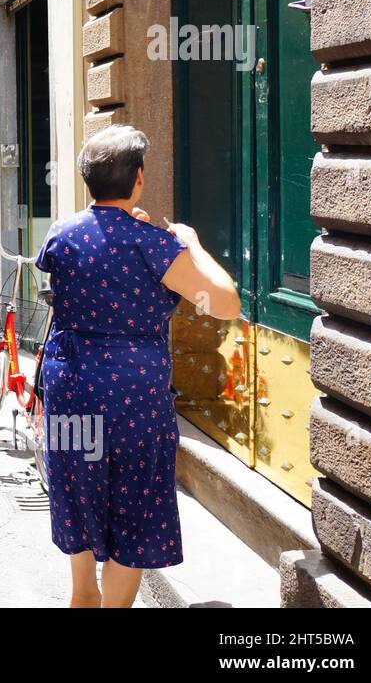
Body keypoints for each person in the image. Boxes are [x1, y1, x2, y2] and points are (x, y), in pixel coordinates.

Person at [36, 125, 239, 608]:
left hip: (71, 387)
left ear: (88, 179)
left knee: (80, 491)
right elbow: (225, 303)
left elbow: (86, 266)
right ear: (139, 179)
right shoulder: (156, 244)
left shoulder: (62, 232)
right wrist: (191, 244)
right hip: (133, 398)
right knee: (134, 505)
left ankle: (83, 594)